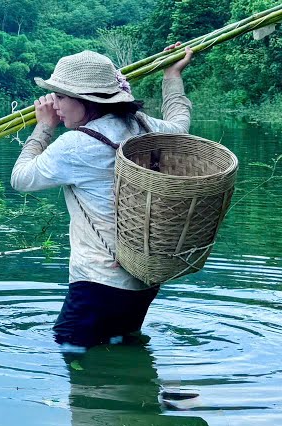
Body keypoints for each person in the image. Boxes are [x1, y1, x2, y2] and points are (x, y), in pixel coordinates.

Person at [10, 45, 193, 353]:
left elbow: (21, 178)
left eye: (61, 96)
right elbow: (180, 121)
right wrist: (172, 76)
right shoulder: (145, 127)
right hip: (141, 281)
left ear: (86, 101)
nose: (55, 105)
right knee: (119, 355)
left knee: (75, 361)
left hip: (96, 282)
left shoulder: (75, 145)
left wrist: (43, 128)